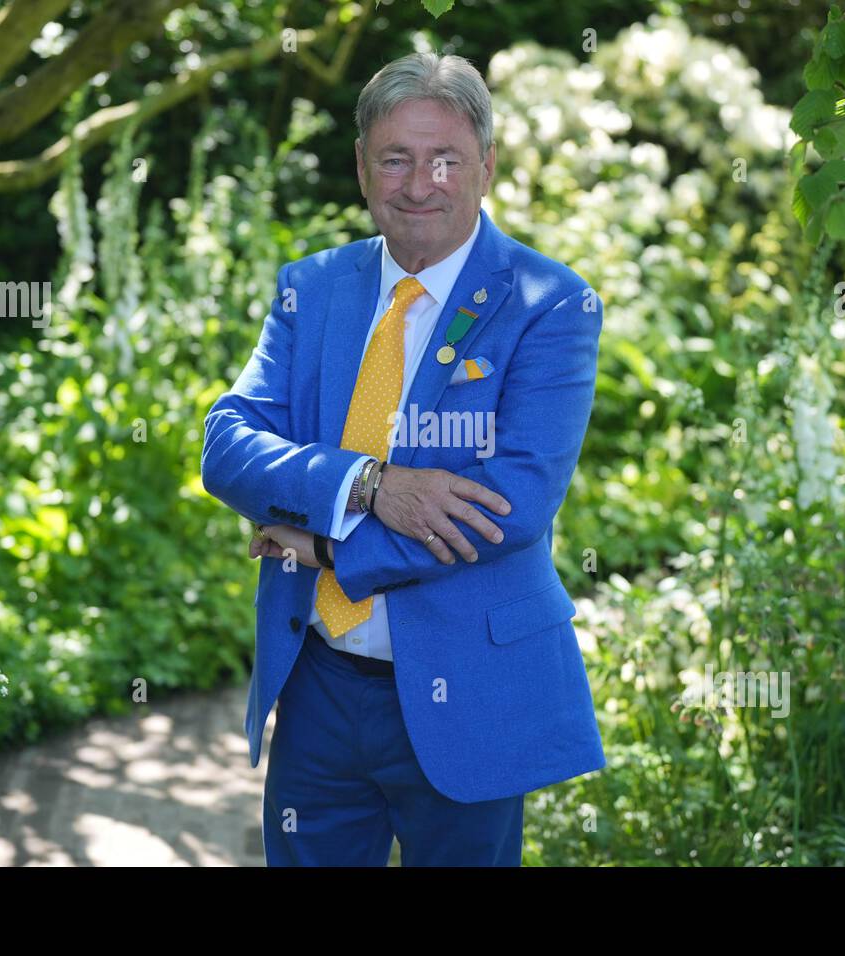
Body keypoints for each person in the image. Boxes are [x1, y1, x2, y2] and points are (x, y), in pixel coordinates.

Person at [201, 50, 605, 866]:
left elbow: (511, 504)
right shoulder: (310, 288)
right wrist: (369, 486)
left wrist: (325, 547)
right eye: (396, 158)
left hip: (471, 693)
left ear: (486, 167)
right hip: (317, 689)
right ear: (361, 167)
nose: (420, 183)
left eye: (446, 159)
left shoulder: (550, 302)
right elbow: (228, 446)